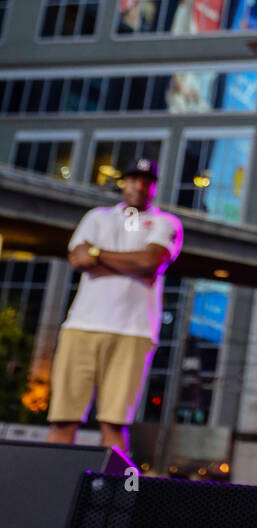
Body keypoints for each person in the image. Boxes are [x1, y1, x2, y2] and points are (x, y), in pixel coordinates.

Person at [46, 159, 183, 457]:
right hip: (82, 326)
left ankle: (113, 485)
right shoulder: (98, 217)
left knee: (114, 424)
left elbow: (150, 262)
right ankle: (50, 480)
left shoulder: (166, 222)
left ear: (154, 187)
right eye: (134, 179)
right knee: (63, 419)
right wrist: (130, 264)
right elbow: (78, 259)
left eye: (146, 181)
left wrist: (97, 254)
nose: (139, 186)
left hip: (134, 331)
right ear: (124, 183)